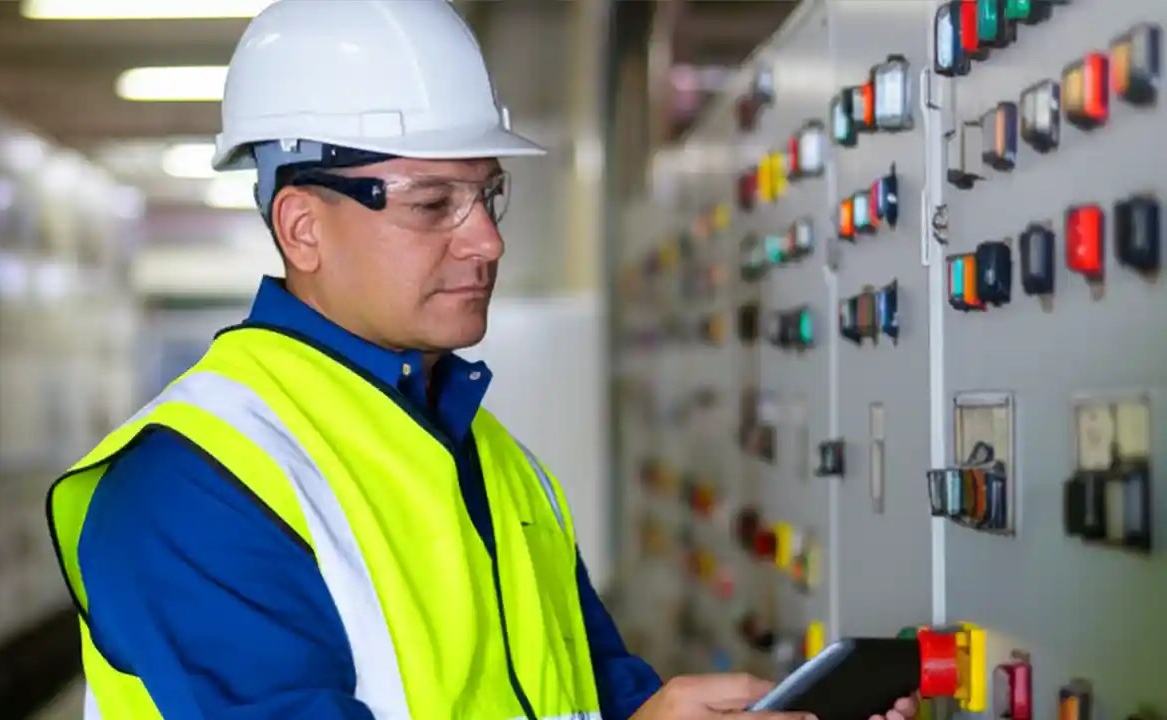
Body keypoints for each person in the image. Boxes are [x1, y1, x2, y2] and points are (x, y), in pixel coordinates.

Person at [45, 2, 923, 719]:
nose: (489, 240)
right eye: (435, 204)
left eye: (488, 195)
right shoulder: (189, 486)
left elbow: (575, 693)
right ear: (302, 227)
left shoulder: (483, 452)